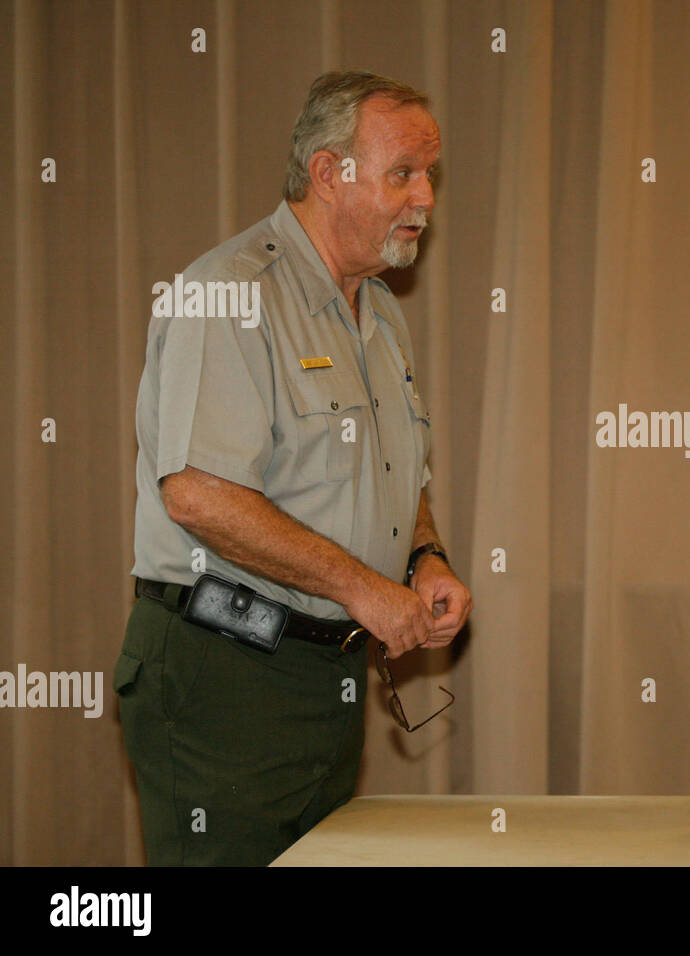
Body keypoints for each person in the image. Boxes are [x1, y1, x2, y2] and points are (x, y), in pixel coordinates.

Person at [115, 71, 472, 866]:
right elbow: (199, 496)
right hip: (224, 671)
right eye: (403, 173)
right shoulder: (227, 293)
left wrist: (423, 556)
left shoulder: (378, 312)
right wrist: (362, 589)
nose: (426, 199)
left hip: (324, 677)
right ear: (328, 173)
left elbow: (397, 476)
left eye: (430, 175)